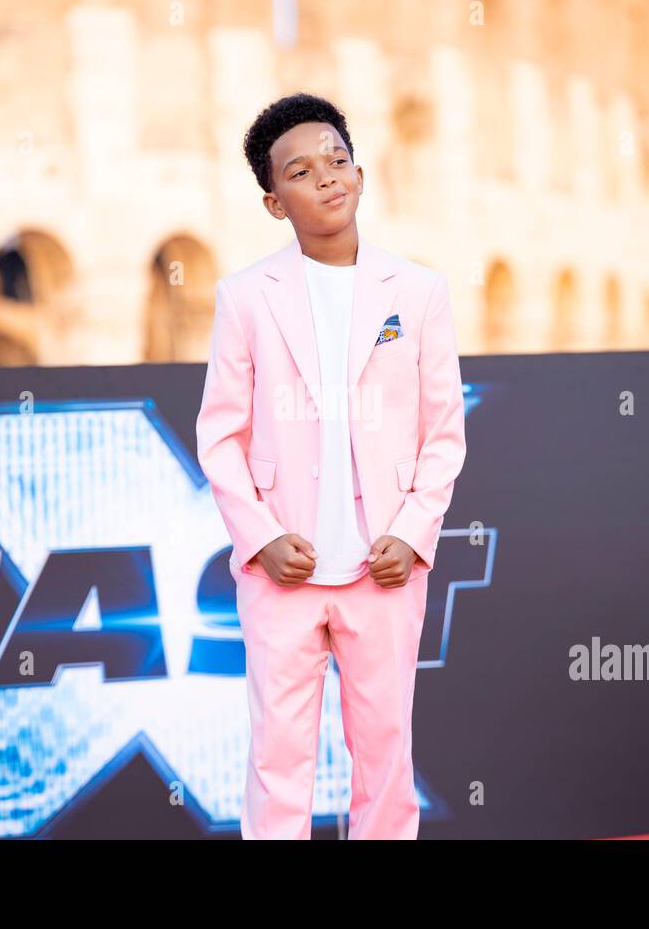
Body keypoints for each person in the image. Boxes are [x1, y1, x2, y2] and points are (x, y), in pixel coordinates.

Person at [195, 92, 466, 839]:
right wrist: (260, 537)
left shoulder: (418, 292)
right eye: (303, 171)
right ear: (273, 200)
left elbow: (444, 432)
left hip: (385, 567)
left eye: (338, 161)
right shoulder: (245, 297)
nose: (327, 179)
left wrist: (411, 533)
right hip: (282, 568)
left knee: (386, 757)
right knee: (277, 760)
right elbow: (220, 434)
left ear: (361, 172)